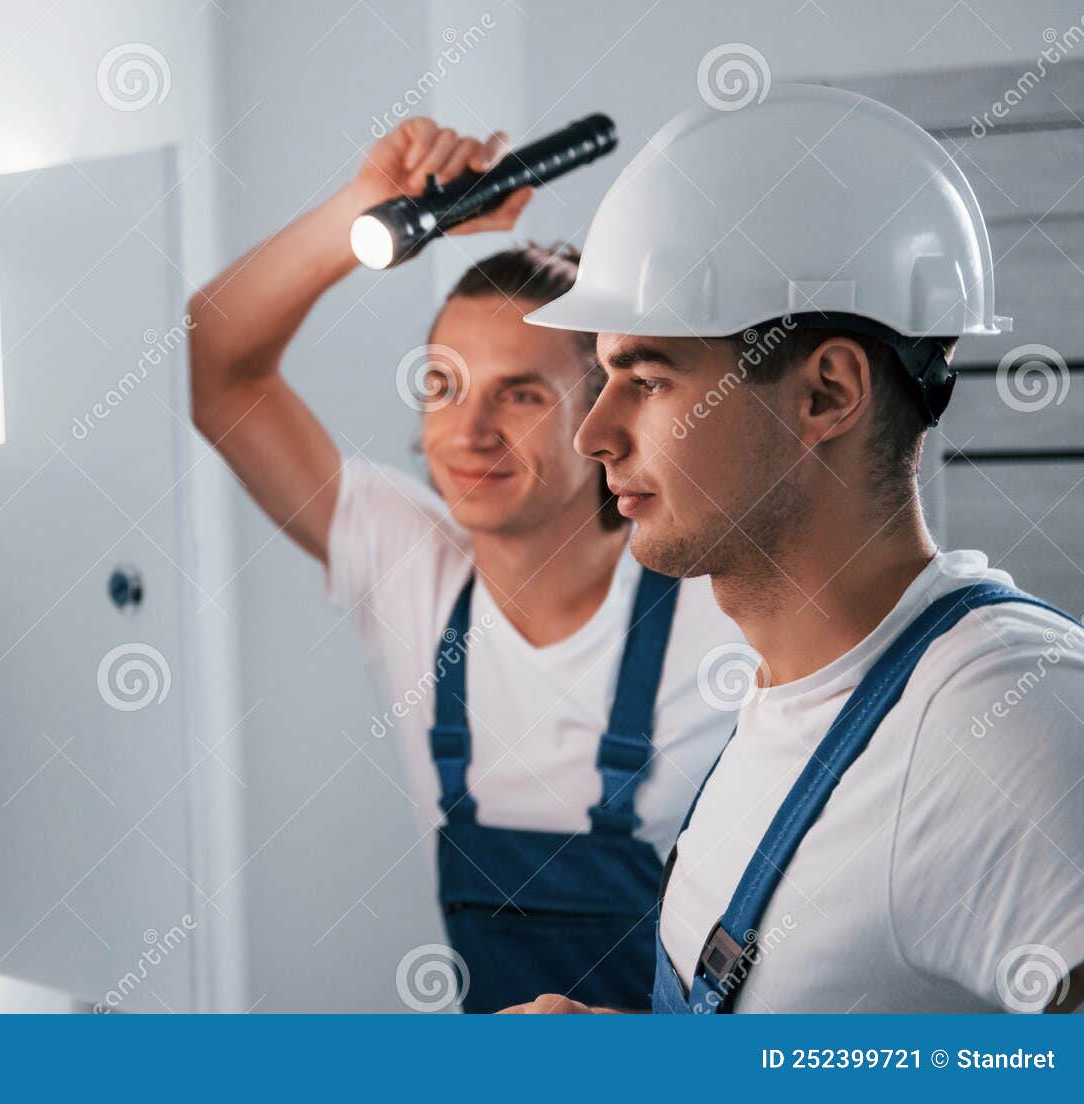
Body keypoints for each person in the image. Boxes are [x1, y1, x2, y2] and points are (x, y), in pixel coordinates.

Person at [505, 83, 1084, 1014]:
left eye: (648, 378)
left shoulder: (1006, 726)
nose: (594, 434)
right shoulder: (794, 699)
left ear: (826, 395)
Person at [186, 119, 742, 1012]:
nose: (468, 432)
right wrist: (359, 216)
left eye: (519, 394)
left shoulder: (724, 606)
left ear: (600, 421)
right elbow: (215, 360)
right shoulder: (409, 563)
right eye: (443, 386)